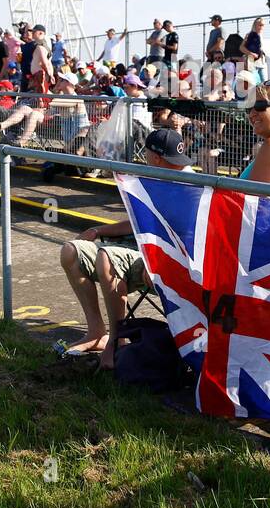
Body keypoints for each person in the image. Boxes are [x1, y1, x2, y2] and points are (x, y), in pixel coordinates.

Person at [58, 128, 196, 359]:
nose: (177, 166)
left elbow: (193, 238)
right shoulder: (157, 176)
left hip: (167, 259)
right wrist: (97, 230)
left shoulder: (191, 185)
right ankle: (96, 333)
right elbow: (136, 222)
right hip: (142, 248)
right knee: (71, 250)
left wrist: (158, 263)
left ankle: (117, 339)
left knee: (107, 257)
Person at [242, 17, 268, 82]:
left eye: (263, 25)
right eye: (260, 25)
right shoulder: (249, 35)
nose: (262, 27)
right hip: (252, 63)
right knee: (253, 83)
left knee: (264, 82)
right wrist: (251, 53)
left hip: (262, 63)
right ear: (255, 25)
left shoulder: (261, 35)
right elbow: (242, 48)